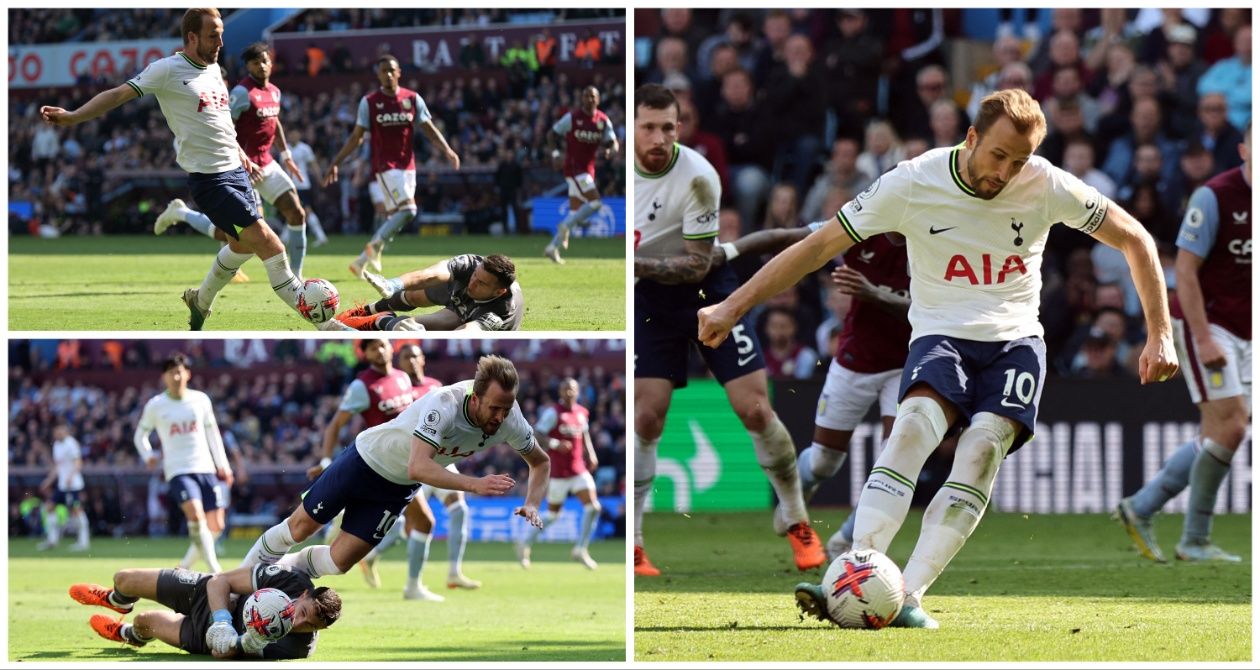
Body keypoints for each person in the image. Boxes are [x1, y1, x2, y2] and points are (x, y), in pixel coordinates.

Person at [698, 89, 1179, 628]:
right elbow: (818, 247)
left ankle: (909, 595)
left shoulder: (1045, 183)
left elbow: (1135, 238)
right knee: (912, 429)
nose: (1005, 171)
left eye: (1017, 160)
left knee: (981, 449)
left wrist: (1160, 332)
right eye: (997, 155)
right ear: (971, 137)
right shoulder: (913, 181)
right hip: (941, 334)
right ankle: (856, 573)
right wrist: (732, 305)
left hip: (1016, 341)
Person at [632, 83, 824, 577]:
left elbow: (697, 265)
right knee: (647, 417)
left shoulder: (698, 176)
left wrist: (631, 262)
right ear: (632, 127)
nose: (658, 137)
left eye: (667, 128)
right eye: (648, 126)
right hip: (647, 300)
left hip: (705, 291)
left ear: (679, 128)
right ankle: (634, 544)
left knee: (756, 408)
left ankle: (798, 521)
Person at [39, 8, 308, 330]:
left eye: (221, 33)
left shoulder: (215, 70)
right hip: (211, 179)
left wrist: (240, 153)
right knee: (269, 243)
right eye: (213, 35)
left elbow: (220, 122)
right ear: (192, 37)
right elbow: (118, 94)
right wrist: (73, 116)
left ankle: (200, 300)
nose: (221, 41)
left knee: (239, 245)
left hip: (237, 171)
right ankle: (322, 318)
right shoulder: (166, 69)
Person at [239, 355, 549, 583]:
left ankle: (269, 576)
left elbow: (540, 461)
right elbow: (418, 466)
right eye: (494, 407)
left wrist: (533, 503)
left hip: (395, 489)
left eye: (506, 408)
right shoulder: (444, 404)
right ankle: (239, 581)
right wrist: (474, 484)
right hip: (364, 461)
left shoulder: (511, 421)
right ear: (475, 397)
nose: (499, 416)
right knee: (300, 528)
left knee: (338, 562)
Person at [1115, 124, 1251, 563]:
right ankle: (1193, 539)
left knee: (1221, 432)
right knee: (1231, 425)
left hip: (1248, 328)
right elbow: (1186, 272)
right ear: (1245, 148)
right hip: (1206, 323)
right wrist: (1205, 336)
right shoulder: (1215, 197)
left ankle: (1142, 508)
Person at [154, 43, 314, 278]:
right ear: (248, 66)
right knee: (241, 235)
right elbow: (224, 129)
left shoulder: (275, 92)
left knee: (297, 213)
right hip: (242, 169)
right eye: (254, 62)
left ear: (271, 62)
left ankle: (298, 276)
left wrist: (287, 155)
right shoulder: (241, 93)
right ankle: (182, 213)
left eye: (264, 60)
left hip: (267, 165)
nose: (261, 65)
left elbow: (275, 121)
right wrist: (245, 160)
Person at [323, 54, 460, 278]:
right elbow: (356, 137)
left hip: (408, 167)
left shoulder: (412, 99)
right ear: (378, 74)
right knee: (409, 210)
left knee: (395, 215)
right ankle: (372, 247)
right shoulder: (369, 102)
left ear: (399, 72)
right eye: (383, 70)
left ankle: (362, 261)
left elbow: (429, 128)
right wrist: (336, 162)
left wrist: (447, 150)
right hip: (385, 166)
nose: (387, 74)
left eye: (391, 70)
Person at [69, 563, 340, 659]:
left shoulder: (295, 649)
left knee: (144, 621)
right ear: (304, 594)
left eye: (309, 626)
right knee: (125, 578)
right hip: (209, 596)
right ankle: (118, 601)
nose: (297, 621)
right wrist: (222, 617)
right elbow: (219, 581)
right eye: (302, 611)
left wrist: (240, 639)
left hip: (205, 636)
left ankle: (128, 634)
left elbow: (221, 654)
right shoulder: (290, 580)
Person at [135, 353, 233, 574]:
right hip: (178, 470)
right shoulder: (156, 405)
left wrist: (223, 465)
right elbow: (139, 435)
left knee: (216, 526)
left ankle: (185, 565)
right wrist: (147, 454)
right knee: (196, 516)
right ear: (164, 377)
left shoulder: (201, 400)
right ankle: (214, 570)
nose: (176, 376)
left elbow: (213, 434)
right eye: (171, 372)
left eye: (179, 371)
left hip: (205, 467)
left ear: (188, 373)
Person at [517, 378, 601, 570]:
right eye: (565, 389)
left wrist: (592, 454)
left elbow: (585, 435)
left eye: (572, 389)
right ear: (561, 392)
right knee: (554, 515)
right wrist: (555, 444)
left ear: (578, 392)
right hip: (558, 473)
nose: (569, 392)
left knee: (593, 507)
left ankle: (581, 549)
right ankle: (526, 543)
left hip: (578, 470)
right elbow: (537, 433)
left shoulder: (582, 413)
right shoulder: (553, 413)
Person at [334, 254, 523, 331]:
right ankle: (369, 310)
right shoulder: (471, 264)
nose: (472, 283)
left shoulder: (500, 312)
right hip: (458, 301)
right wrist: (393, 284)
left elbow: (465, 332)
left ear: (499, 291)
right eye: (474, 275)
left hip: (464, 317)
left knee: (407, 326)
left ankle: (379, 321)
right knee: (415, 293)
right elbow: (431, 274)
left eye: (481, 283)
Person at [544, 85, 619, 264]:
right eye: (586, 96)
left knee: (574, 211)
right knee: (595, 203)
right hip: (574, 168)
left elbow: (613, 142)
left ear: (598, 100)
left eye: (593, 96)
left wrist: (611, 150)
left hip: (588, 169)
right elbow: (551, 134)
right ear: (582, 99)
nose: (589, 99)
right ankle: (565, 226)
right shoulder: (572, 118)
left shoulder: (602, 120)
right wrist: (555, 154)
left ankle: (552, 248)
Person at [38, 423, 90, 551]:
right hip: (62, 485)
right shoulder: (56, 445)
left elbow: (78, 463)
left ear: (65, 431)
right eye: (56, 432)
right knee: (49, 507)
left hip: (73, 485)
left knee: (76, 511)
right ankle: (52, 540)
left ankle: (83, 542)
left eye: (60, 431)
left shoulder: (71, 443)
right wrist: (49, 480)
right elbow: (58, 466)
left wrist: (71, 477)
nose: (57, 434)